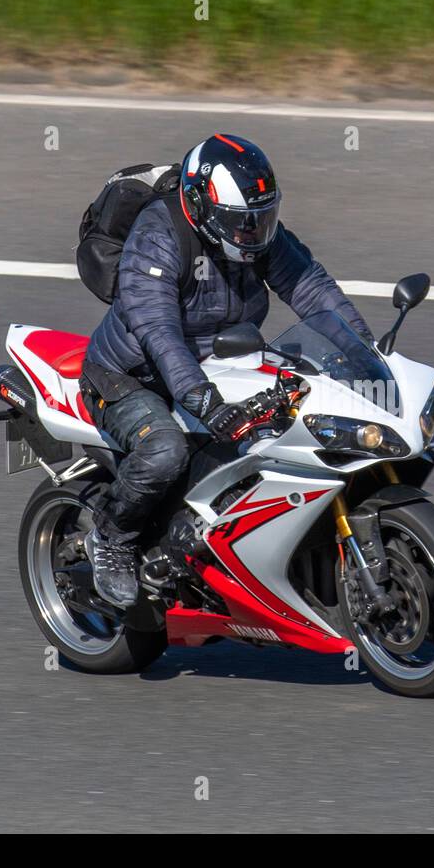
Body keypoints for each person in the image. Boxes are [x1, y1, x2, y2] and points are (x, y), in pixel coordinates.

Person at [80, 133, 372, 606]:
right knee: (165, 451)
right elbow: (158, 332)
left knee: (289, 430)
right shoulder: (159, 236)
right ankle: (112, 538)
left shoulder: (253, 230)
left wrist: (363, 350)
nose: (253, 235)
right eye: (241, 224)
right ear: (202, 207)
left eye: (260, 220)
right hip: (131, 375)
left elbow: (312, 289)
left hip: (219, 362)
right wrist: (203, 403)